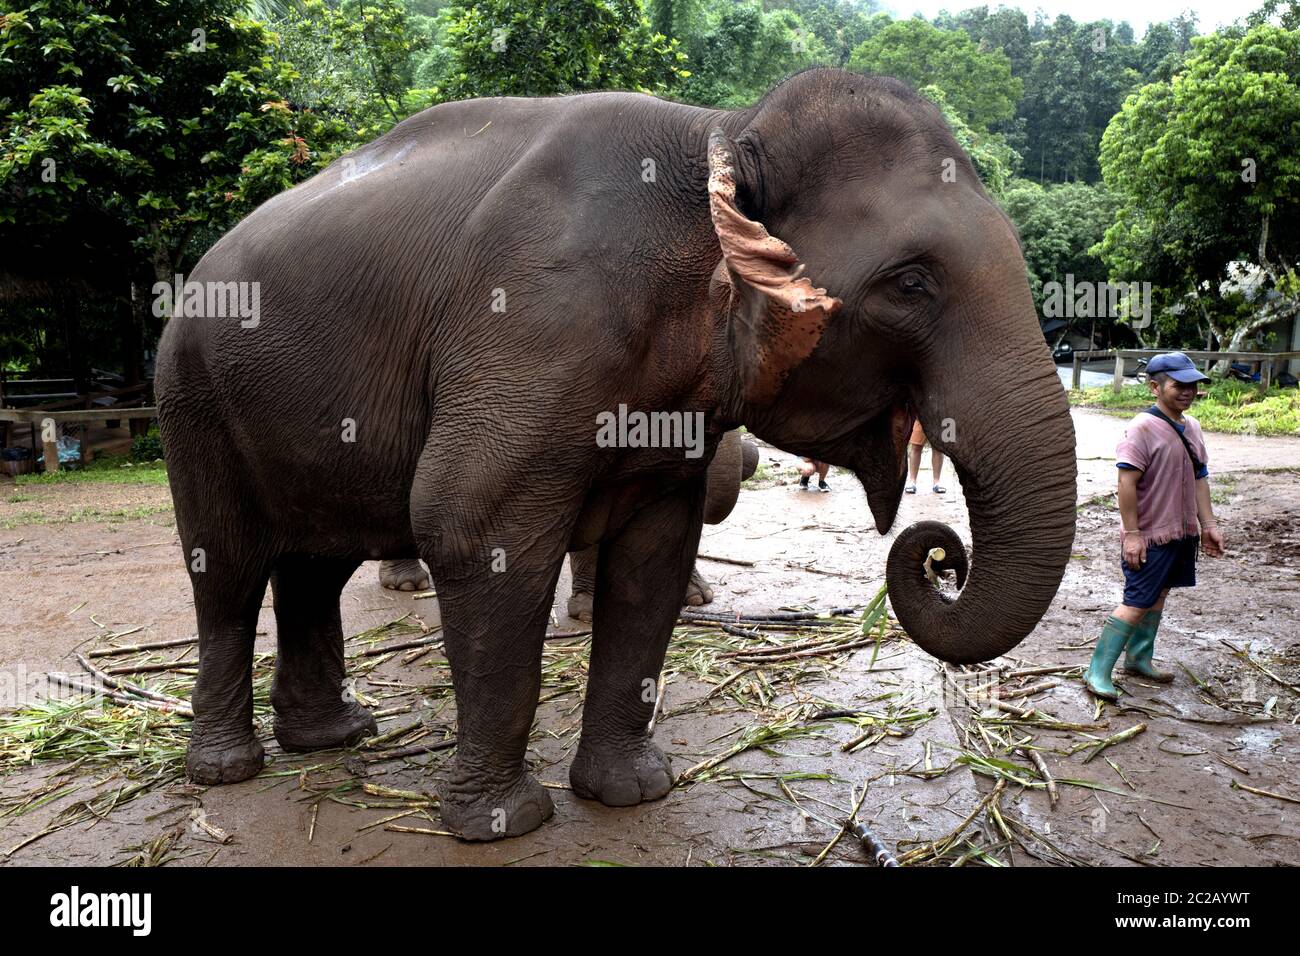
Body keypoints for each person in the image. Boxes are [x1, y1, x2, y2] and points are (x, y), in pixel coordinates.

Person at [1084, 351, 1226, 700]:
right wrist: (1132, 535)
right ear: (1155, 387)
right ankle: (1097, 671)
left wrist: (1208, 524)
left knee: (1159, 594)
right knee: (1137, 600)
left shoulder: (1191, 427)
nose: (1188, 392)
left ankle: (1138, 659)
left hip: (1181, 532)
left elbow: (1200, 478)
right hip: (1150, 533)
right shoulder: (1141, 428)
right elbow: (1126, 484)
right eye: (1179, 385)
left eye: (1193, 385)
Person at [905, 420, 945, 494]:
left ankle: (937, 482)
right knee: (916, 446)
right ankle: (912, 481)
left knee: (938, 448)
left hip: (939, 416)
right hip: (921, 416)